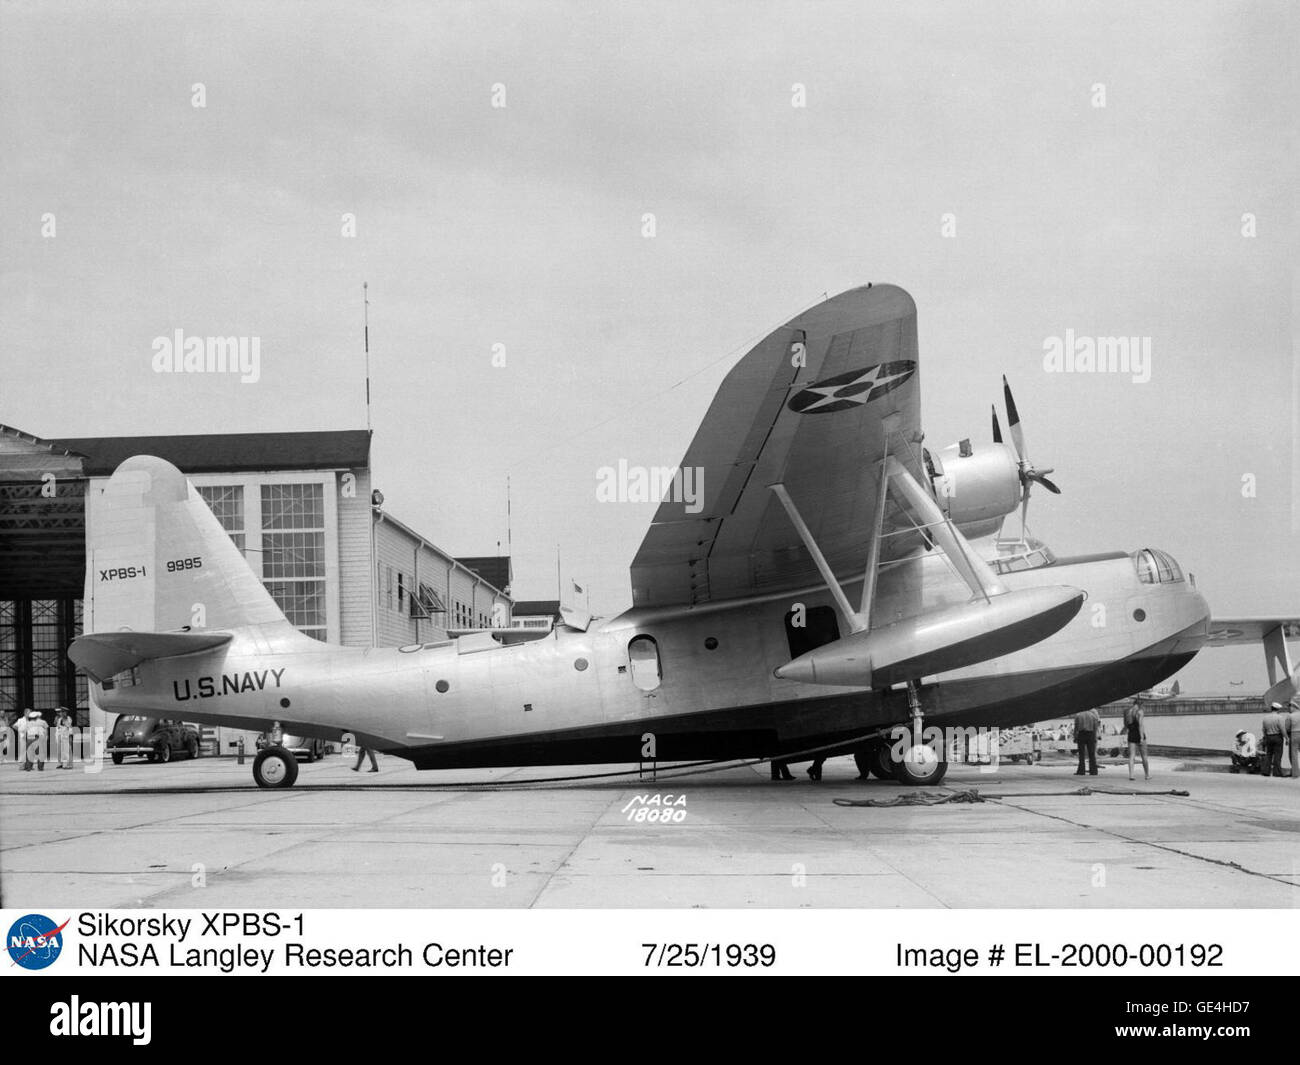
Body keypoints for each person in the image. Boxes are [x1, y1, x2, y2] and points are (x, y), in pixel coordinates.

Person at [1124, 700, 1149, 781]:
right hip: (1139, 734)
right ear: (1140, 704)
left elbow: (1126, 725)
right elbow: (1140, 725)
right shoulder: (1140, 712)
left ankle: (1131, 775)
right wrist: (1141, 737)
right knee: (1144, 756)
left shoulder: (1127, 712)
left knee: (1132, 756)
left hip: (1131, 734)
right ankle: (1147, 775)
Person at [1260, 703, 1286, 778]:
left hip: (1269, 737)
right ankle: (1277, 772)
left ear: (1271, 708)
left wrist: (1265, 737)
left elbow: (1263, 729)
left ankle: (1266, 771)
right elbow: (1282, 729)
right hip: (1277, 737)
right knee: (1278, 755)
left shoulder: (1265, 718)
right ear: (1278, 709)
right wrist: (1286, 738)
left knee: (1269, 754)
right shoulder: (1280, 718)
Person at [1073, 707, 1100, 776]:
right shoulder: (1093, 716)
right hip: (1090, 734)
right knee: (1091, 753)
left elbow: (1076, 727)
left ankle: (1081, 771)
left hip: (1081, 734)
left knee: (1081, 754)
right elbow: (1095, 727)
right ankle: (1093, 771)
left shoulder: (1078, 715)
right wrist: (1094, 736)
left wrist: (1075, 736)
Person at [1288, 701, 1300, 779]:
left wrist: (1287, 736)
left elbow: (1287, 727)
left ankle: (1295, 774)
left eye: (1290, 707)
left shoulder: (1290, 716)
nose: (1289, 709)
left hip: (1294, 734)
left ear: (1293, 707)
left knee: (1294, 754)